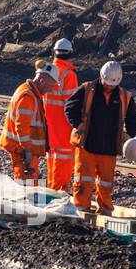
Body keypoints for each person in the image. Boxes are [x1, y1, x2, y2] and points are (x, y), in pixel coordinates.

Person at [64, 61, 136, 214]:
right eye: (107, 83)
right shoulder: (87, 89)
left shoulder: (125, 96)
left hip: (109, 148)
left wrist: (129, 137)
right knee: (83, 181)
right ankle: (81, 208)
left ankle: (105, 209)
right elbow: (70, 107)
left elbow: (133, 120)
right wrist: (78, 124)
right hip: (87, 145)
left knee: (106, 183)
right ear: (101, 77)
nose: (110, 86)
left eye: (113, 84)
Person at [0, 62, 58, 186]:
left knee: (31, 180)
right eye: (50, 85)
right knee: (26, 181)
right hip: (22, 150)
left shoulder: (30, 92)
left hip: (24, 149)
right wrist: (28, 150)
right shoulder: (28, 97)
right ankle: (27, 203)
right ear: (42, 80)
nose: (50, 89)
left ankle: (32, 202)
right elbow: (21, 127)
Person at [44, 38, 80, 193]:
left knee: (52, 157)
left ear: (54, 52)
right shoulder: (68, 75)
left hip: (48, 121)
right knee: (64, 158)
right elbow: (72, 103)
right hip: (63, 124)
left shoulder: (47, 70)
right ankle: (59, 192)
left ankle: (51, 188)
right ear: (70, 53)